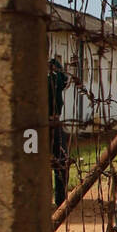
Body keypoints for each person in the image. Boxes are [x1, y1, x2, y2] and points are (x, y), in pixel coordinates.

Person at [49, 56, 71, 206]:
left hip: (55, 123)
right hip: (33, 125)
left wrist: (54, 66)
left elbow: (65, 80)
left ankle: (60, 201)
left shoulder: (54, 72)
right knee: (31, 158)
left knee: (62, 159)